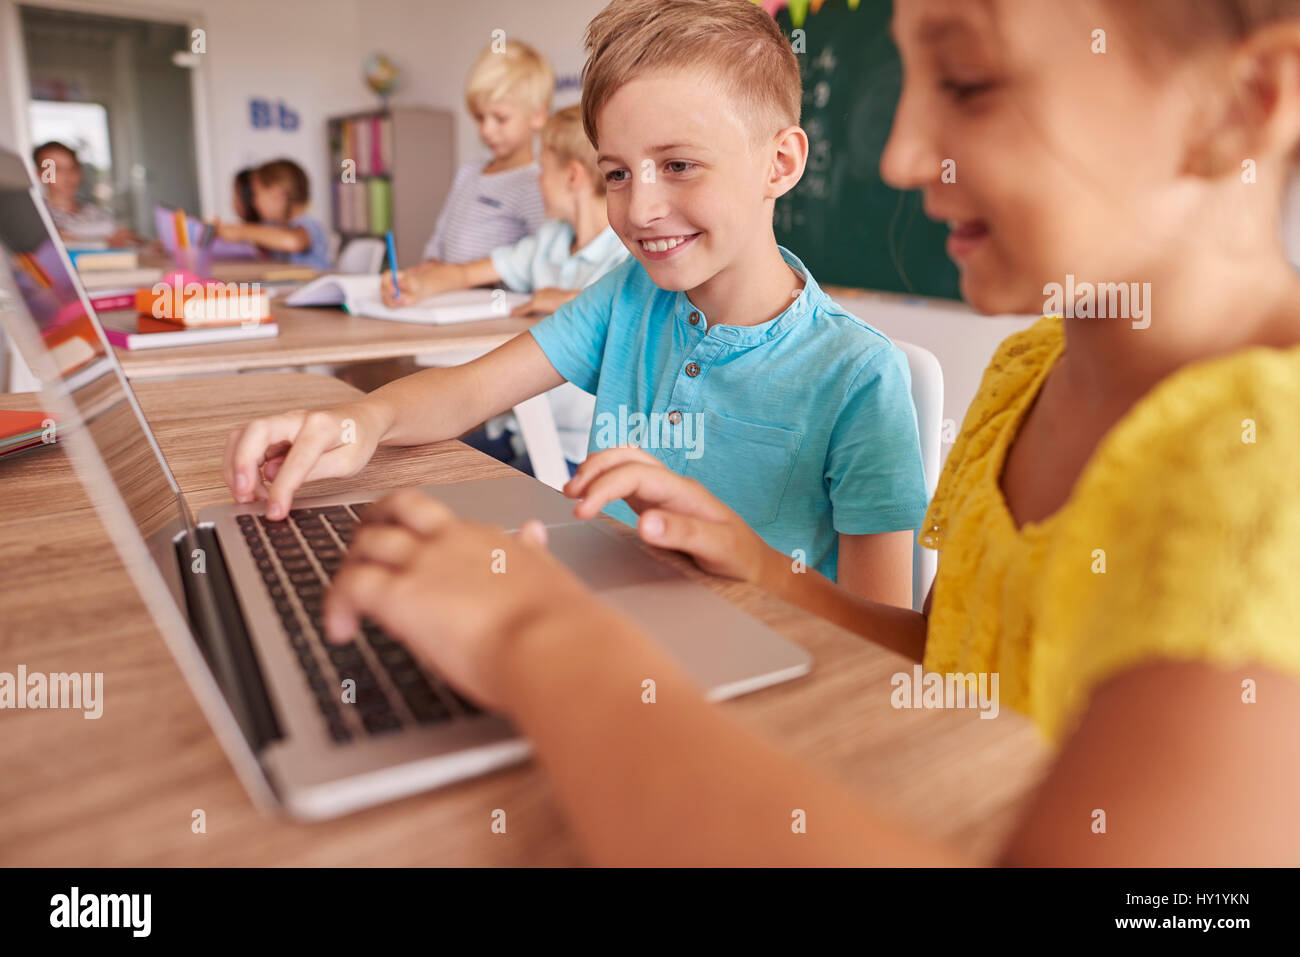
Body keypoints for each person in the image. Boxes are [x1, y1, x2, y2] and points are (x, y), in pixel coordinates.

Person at [319, 0, 1300, 865]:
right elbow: (950, 659)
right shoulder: (1028, 373)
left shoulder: (1268, 469)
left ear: (1240, 103)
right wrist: (758, 563)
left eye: (967, 81)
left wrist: (537, 637)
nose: (901, 156)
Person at [221, 0, 927, 603]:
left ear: (781, 163)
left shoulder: (858, 375)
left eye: (678, 165)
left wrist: (753, 561)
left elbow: (889, 638)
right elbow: (470, 390)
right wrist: (361, 421)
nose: (642, 207)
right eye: (616, 173)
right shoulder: (629, 295)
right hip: (597, 623)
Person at [383, 104, 628, 475]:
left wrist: (560, 299)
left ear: (573, 177)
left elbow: (631, 308)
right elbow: (470, 273)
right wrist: (422, 283)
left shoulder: (622, 249)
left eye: (542, 170)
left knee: (483, 502)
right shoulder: (550, 240)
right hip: (519, 425)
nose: (536, 181)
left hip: (578, 446)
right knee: (424, 473)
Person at [421, 39, 553, 264]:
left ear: (537, 116)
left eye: (500, 119)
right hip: (446, 296)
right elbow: (439, 238)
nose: (486, 130)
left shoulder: (536, 184)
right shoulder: (468, 173)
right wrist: (429, 268)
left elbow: (537, 262)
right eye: (480, 117)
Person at [213, 159, 331, 271]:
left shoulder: (309, 225)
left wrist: (240, 231)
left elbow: (293, 241)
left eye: (256, 194)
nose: (254, 202)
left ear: (277, 195)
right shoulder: (278, 227)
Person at [31, 141, 140, 247]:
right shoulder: (35, 215)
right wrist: (103, 242)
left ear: (80, 172)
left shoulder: (97, 213)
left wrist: (129, 239)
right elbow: (45, 243)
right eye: (57, 169)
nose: (67, 176)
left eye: (72, 168)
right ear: (40, 174)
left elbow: (134, 241)